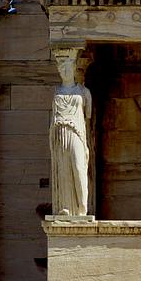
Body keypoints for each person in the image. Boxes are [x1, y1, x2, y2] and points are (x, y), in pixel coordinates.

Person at [49, 56, 91, 216]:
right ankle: (66, 207)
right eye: (61, 69)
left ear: (74, 69)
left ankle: (82, 208)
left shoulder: (83, 92)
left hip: (77, 132)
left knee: (79, 167)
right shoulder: (57, 91)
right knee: (63, 169)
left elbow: (88, 116)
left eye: (67, 68)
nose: (64, 72)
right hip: (60, 131)